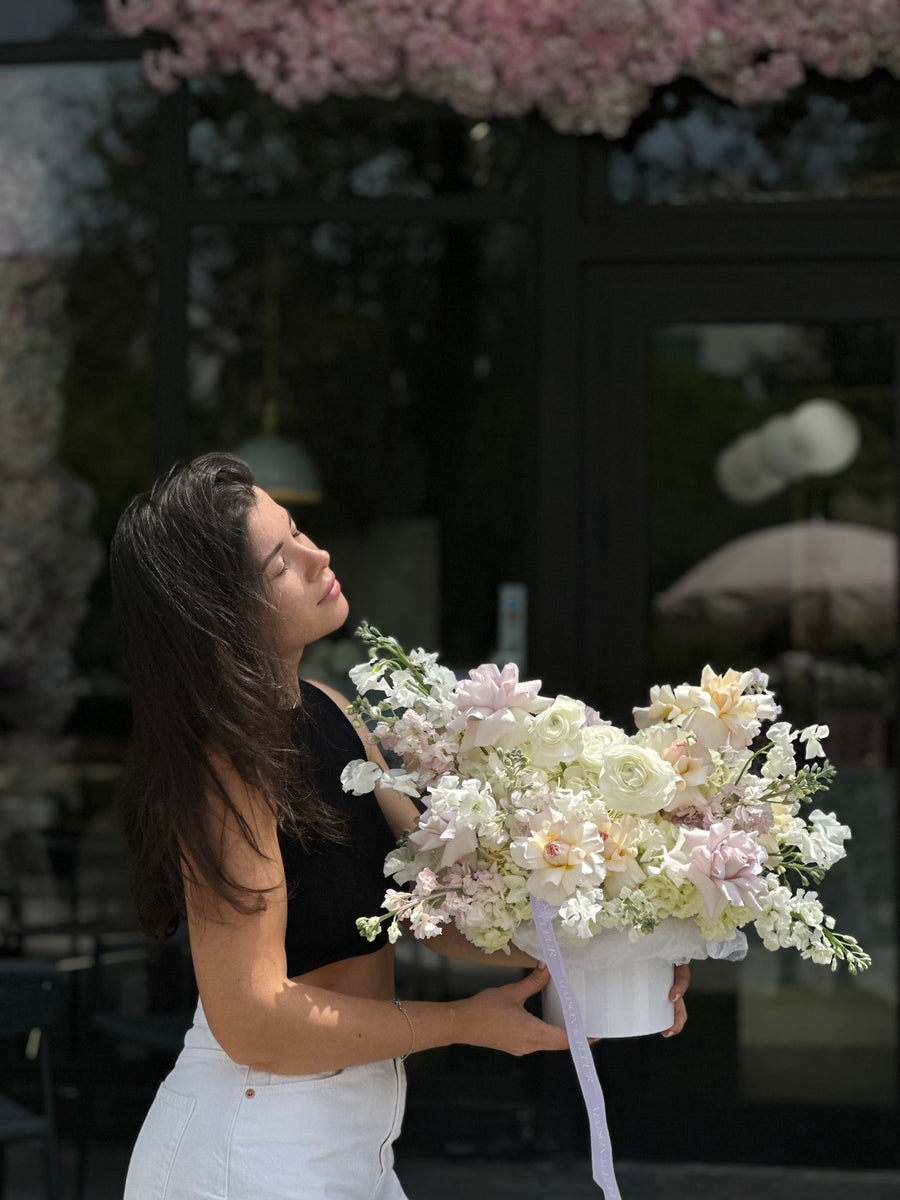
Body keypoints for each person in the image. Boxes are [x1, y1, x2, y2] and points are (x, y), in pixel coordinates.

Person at [109, 451, 689, 1199]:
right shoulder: (225, 769)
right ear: (218, 610)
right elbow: (252, 1020)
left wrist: (619, 952)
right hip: (252, 1146)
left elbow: (437, 908)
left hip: (343, 1140)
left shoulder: (327, 707)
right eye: (283, 564)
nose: (320, 557)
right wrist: (462, 1022)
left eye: (302, 533)